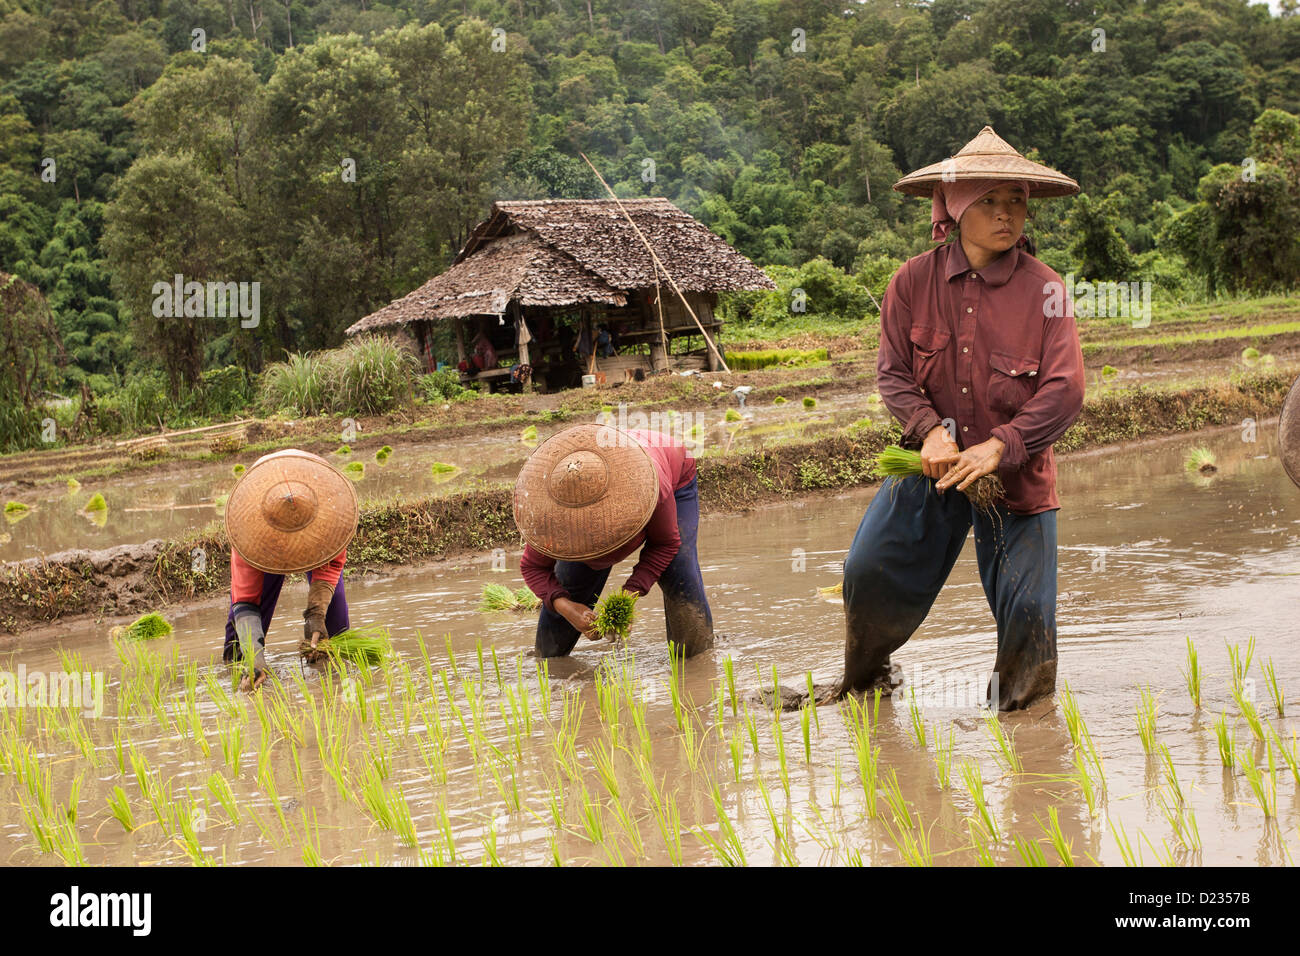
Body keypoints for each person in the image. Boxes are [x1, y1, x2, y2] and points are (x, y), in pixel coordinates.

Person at [821, 126, 1086, 711]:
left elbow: (1066, 390)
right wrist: (931, 429)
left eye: (1015, 200)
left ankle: (1024, 725)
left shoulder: (1048, 292)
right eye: (989, 201)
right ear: (955, 208)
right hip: (932, 467)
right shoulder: (912, 282)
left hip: (1014, 476)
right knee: (867, 571)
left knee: (1030, 611)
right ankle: (867, 681)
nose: (1006, 214)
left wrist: (1001, 447)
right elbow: (893, 373)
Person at [514, 423, 713, 659]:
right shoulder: (549, 518)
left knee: (679, 572)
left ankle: (696, 663)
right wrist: (565, 607)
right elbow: (532, 566)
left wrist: (629, 596)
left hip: (671, 471)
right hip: (609, 466)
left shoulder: (651, 488)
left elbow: (665, 544)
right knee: (570, 586)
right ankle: (547, 661)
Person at [222, 449, 359, 690]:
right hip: (266, 531)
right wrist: (254, 660)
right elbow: (245, 601)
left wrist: (316, 615)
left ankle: (331, 667)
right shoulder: (249, 534)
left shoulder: (331, 517)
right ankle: (240, 668)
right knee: (240, 633)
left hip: (312, 508)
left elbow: (331, 566)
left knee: (333, 614)